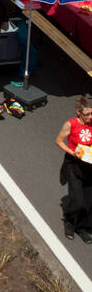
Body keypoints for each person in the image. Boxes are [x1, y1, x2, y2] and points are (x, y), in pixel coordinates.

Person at [56, 96, 92, 241]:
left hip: (89, 164)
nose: (90, 116)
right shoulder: (71, 124)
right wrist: (72, 152)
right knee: (78, 199)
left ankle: (83, 227)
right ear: (79, 112)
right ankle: (70, 222)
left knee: (89, 201)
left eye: (91, 113)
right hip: (74, 164)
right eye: (87, 114)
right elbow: (58, 140)